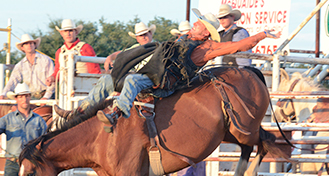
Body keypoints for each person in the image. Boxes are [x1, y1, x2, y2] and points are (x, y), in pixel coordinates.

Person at [78, 9, 280, 129]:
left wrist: (261, 35)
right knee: (107, 81)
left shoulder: (208, 48)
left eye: (198, 24)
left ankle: (117, 114)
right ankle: (82, 110)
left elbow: (238, 46)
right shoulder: (183, 39)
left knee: (132, 81)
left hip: (166, 83)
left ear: (205, 33)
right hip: (153, 74)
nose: (194, 24)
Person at [46, 19, 101, 86]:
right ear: (62, 33)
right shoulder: (60, 51)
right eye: (65, 31)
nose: (68, 34)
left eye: (70, 31)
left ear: (76, 32)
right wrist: (52, 78)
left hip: (83, 88)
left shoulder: (85, 48)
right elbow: (58, 71)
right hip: (64, 91)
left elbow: (94, 71)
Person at [0, 34, 55, 100]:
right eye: (26, 44)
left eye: (31, 43)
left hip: (46, 96)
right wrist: (4, 94)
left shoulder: (46, 60)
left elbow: (52, 80)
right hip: (29, 98)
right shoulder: (20, 65)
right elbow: (13, 81)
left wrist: (46, 97)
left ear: (34, 45)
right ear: (22, 48)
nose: (29, 45)